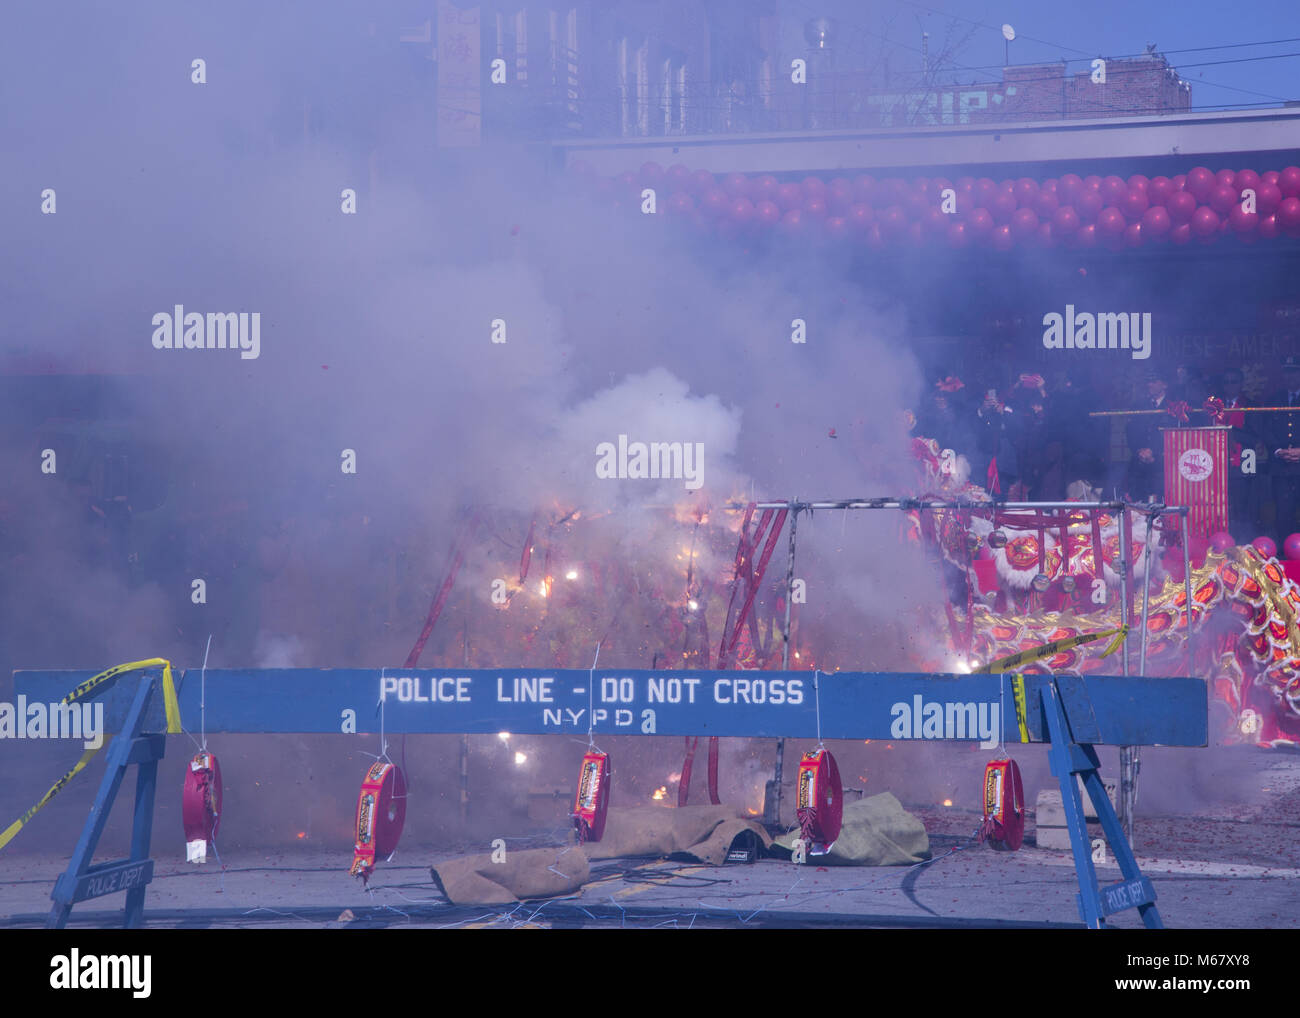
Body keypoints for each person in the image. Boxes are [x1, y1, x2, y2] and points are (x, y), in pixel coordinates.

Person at [1263, 355, 1300, 538]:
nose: (1291, 377)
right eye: (1288, 372)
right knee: (1283, 513)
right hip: (1282, 465)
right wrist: (1278, 451)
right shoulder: (1274, 399)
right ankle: (1286, 554)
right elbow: (1266, 429)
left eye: (1294, 372)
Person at [1125, 373, 1170, 502]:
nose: (1150, 385)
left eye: (1154, 381)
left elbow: (1172, 431)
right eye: (1148, 381)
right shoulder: (1138, 405)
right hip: (1140, 460)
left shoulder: (1174, 406)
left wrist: (1153, 452)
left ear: (1164, 384)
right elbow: (1131, 431)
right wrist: (1140, 451)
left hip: (1163, 460)